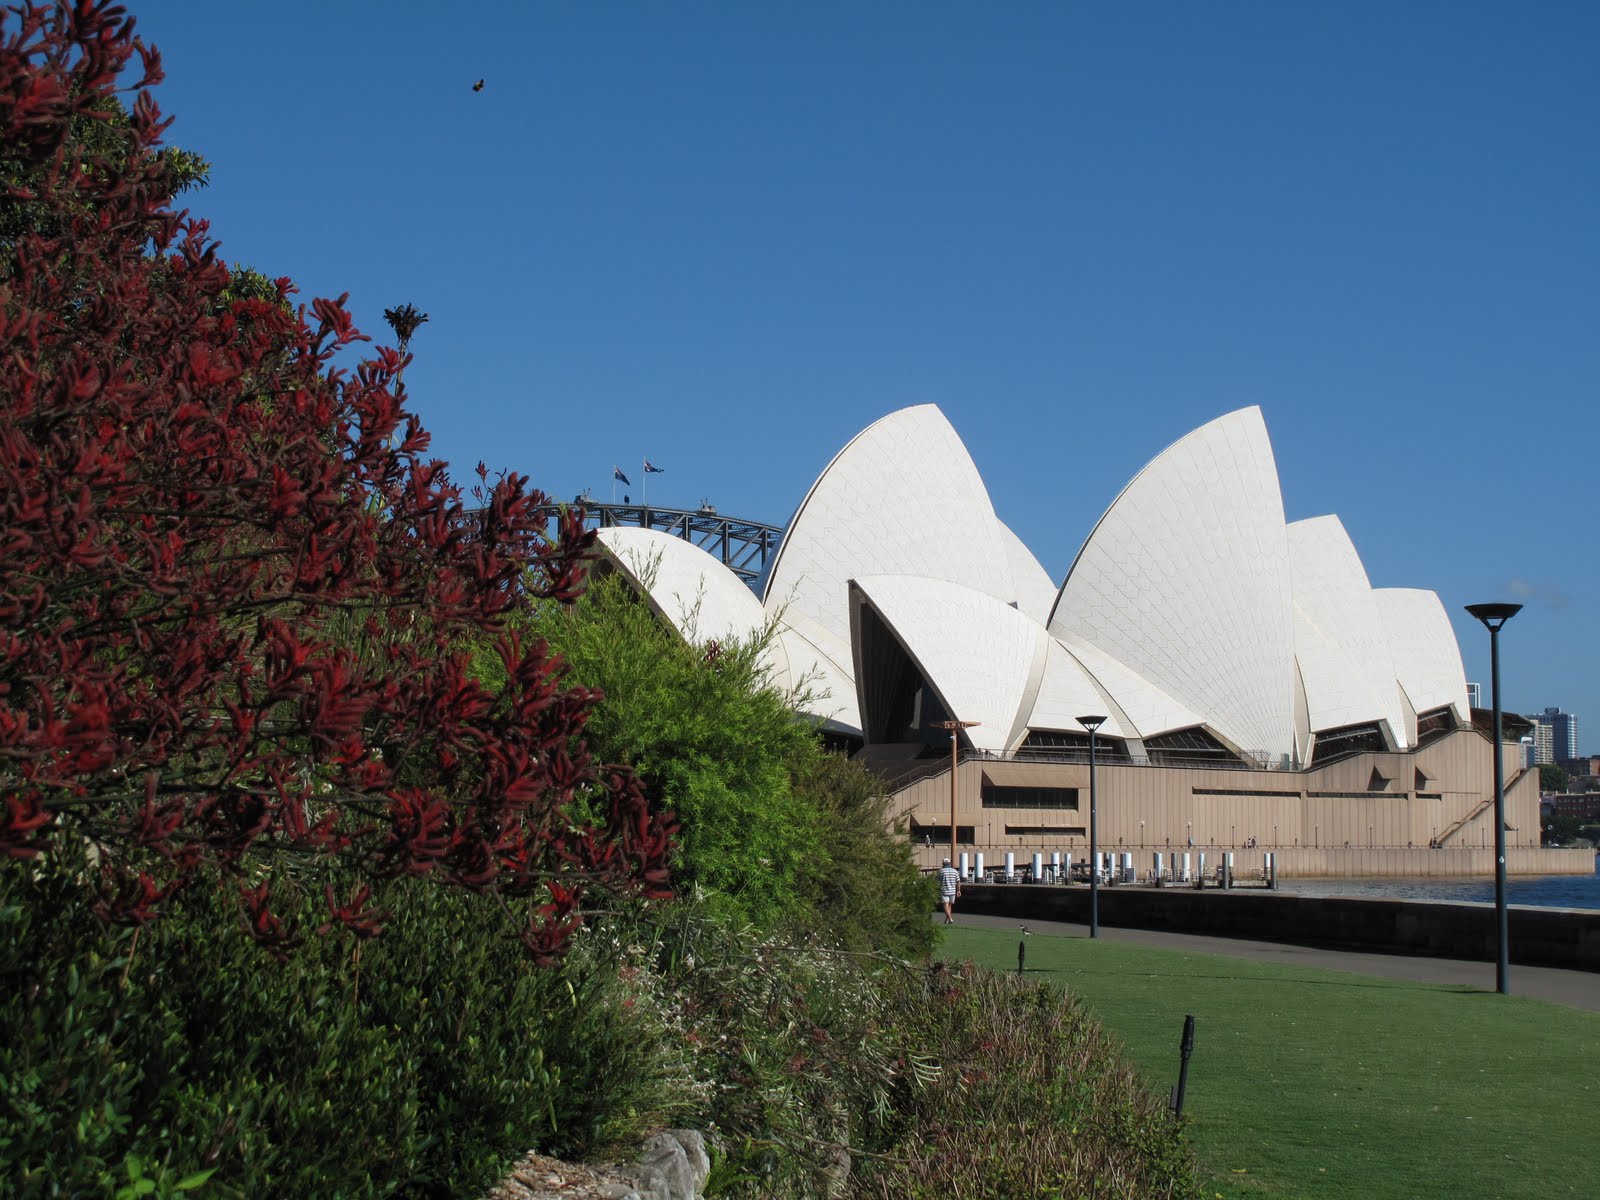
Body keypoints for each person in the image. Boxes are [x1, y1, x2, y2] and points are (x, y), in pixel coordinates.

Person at [937, 858, 961, 924]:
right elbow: (958, 881)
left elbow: (936, 881)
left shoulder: (941, 871)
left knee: (945, 906)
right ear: (949, 863)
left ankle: (950, 918)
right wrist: (958, 891)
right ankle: (947, 919)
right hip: (953, 890)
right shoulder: (955, 871)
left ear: (943, 864)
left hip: (944, 890)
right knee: (949, 905)